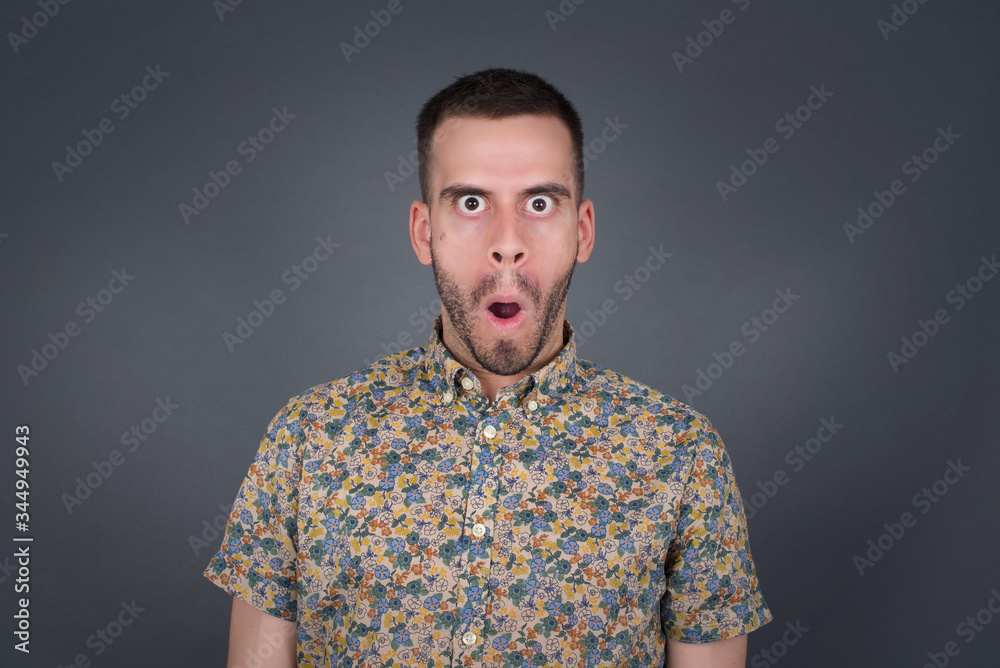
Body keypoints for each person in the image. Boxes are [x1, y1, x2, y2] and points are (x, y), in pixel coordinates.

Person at [204, 67, 773, 667]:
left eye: (539, 202)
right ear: (426, 232)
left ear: (582, 231)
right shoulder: (308, 437)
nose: (508, 241)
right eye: (472, 203)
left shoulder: (681, 453)